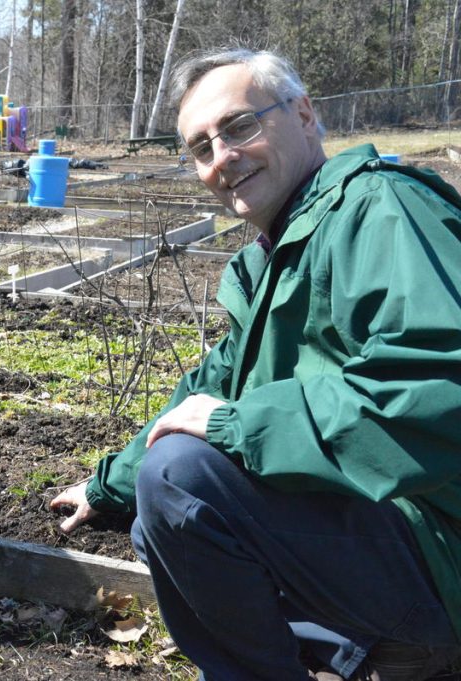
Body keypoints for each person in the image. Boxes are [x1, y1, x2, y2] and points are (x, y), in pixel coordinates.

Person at [50, 48, 461, 680]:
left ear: (303, 114)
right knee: (159, 513)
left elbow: (435, 384)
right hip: (392, 541)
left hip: (438, 550)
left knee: (182, 484)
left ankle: (397, 652)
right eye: (201, 147)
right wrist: (107, 486)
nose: (222, 158)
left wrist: (237, 427)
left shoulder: (381, 210)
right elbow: (211, 388)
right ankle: (349, 651)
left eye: (241, 127)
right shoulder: (275, 257)